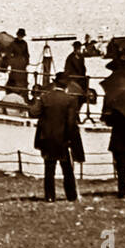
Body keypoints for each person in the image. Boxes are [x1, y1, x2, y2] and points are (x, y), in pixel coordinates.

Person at [31, 73, 80, 202]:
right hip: (62, 138)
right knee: (67, 169)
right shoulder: (70, 100)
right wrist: (70, 139)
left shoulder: (45, 97)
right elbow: (71, 122)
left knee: (49, 168)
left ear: (55, 83)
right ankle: (71, 195)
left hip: (46, 138)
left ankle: (50, 196)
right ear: (67, 86)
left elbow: (33, 112)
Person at [102, 100, 125, 198]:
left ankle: (122, 190)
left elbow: (108, 122)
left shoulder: (115, 106)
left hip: (118, 140)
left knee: (120, 167)